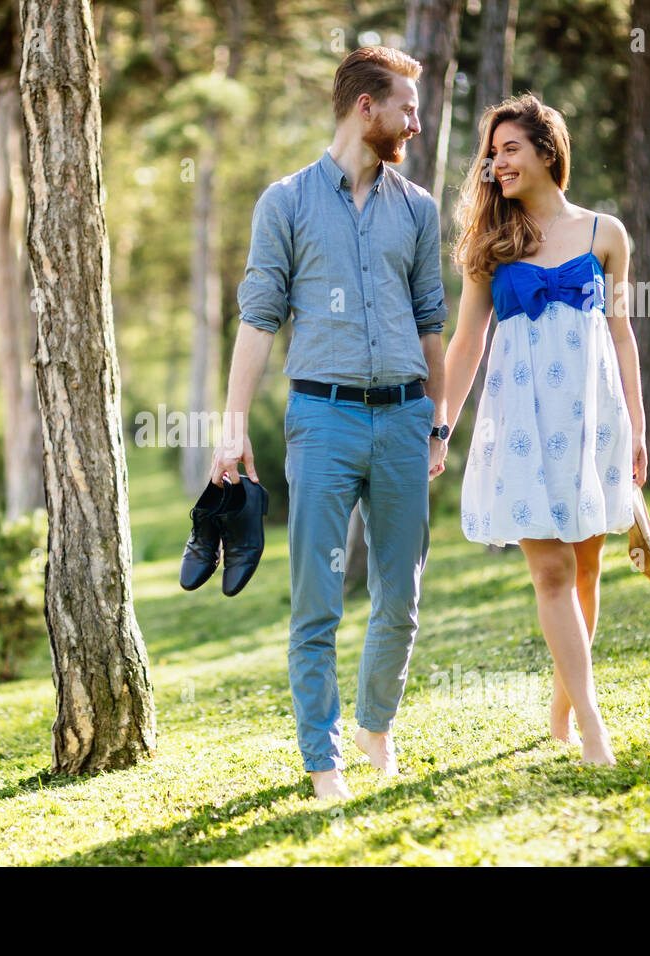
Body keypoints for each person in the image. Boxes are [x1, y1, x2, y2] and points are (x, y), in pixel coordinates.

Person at [210, 47, 450, 801]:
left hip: (406, 418)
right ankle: (323, 760)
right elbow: (257, 319)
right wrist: (232, 424)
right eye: (406, 107)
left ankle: (376, 726)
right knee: (316, 599)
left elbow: (431, 323)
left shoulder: (418, 209)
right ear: (364, 108)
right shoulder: (283, 202)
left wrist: (438, 425)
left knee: (400, 596)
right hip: (321, 418)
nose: (417, 120)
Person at [435, 94, 648, 767]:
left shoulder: (605, 234)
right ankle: (591, 723)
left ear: (547, 152)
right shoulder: (490, 246)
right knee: (551, 570)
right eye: (491, 153)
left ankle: (562, 701)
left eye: (510, 150)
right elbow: (467, 341)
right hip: (520, 421)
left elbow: (622, 332)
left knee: (587, 569)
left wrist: (638, 428)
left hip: (590, 420)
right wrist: (441, 426)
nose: (496, 164)